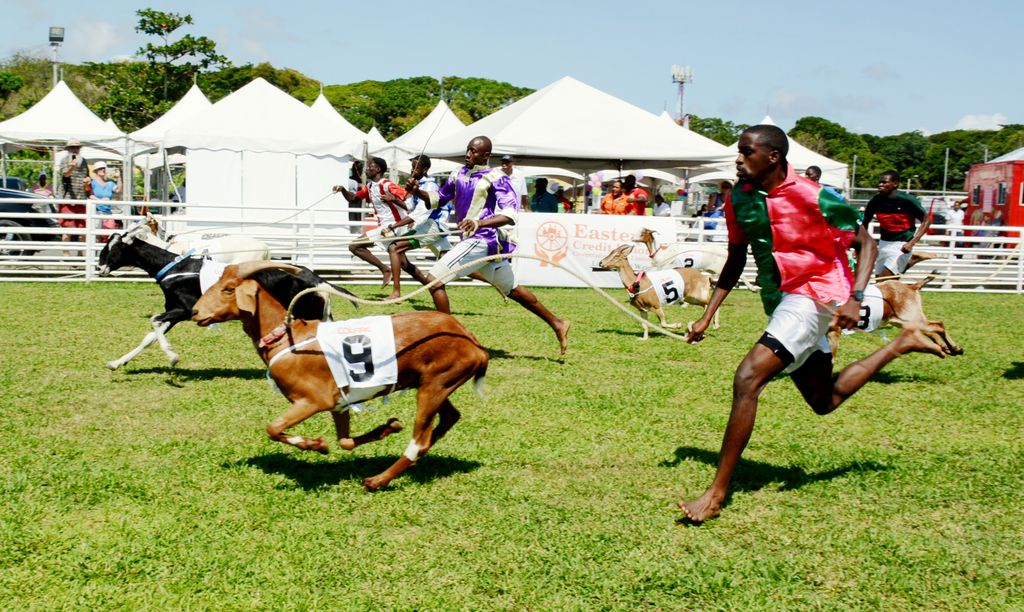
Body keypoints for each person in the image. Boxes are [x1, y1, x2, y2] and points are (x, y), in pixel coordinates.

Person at [679, 125, 946, 524]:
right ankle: (900, 342)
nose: (738, 158)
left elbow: (866, 244)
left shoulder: (814, 195)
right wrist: (706, 314)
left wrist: (856, 297)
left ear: (772, 156)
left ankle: (716, 494)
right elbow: (736, 258)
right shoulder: (740, 199)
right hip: (782, 301)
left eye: (746, 151)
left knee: (748, 378)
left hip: (817, 295)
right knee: (823, 401)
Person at [421, 135, 571, 355]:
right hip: (476, 242)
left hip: (483, 239)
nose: (468, 154)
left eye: (473, 151)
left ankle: (452, 342)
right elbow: (437, 199)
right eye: (468, 150)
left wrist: (478, 222)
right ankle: (558, 323)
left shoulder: (496, 177)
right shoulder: (458, 173)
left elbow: (510, 214)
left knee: (434, 281)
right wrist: (417, 191)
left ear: (486, 155)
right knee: (514, 291)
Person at [381, 154, 450, 300]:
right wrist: (393, 200)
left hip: (433, 226)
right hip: (427, 225)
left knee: (394, 248)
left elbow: (418, 215)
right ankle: (499, 286)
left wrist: (392, 227)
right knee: (452, 260)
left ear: (425, 169)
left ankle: (396, 293)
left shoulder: (430, 186)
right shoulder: (417, 184)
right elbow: (410, 206)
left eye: (416, 168)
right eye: (412, 168)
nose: (412, 171)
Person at [334, 157, 409, 288]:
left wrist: (394, 199)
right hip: (386, 227)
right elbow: (354, 198)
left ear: (378, 169)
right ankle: (429, 283)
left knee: (354, 246)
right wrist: (343, 190)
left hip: (394, 226)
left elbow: (407, 201)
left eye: (369, 166)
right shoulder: (369, 186)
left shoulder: (387, 185)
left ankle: (385, 270)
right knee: (404, 264)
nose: (366, 169)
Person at [861, 170, 930, 278]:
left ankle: (909, 260)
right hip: (883, 243)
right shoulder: (876, 200)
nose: (880, 185)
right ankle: (911, 261)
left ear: (895, 184)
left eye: (884, 182)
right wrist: (862, 244)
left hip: (902, 245)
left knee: (885, 280)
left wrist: (911, 243)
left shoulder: (907, 200)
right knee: (881, 282)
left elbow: (926, 220)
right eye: (880, 182)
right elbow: (865, 222)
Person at [58, 140, 89, 254]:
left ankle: (81, 254)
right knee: (67, 229)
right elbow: (65, 174)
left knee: (83, 229)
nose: (75, 150)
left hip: (81, 199)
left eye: (77, 147)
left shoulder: (84, 162)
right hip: (67, 199)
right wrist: (71, 167)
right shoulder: (64, 161)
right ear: (68, 149)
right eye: (72, 147)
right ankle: (66, 254)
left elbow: (87, 177)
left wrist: (87, 181)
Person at [88, 161, 122, 241]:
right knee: (96, 235)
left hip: (108, 212)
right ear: (96, 171)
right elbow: (90, 195)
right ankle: (95, 253)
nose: (103, 170)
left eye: (104, 168)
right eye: (100, 168)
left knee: (109, 235)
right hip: (96, 212)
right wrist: (100, 200)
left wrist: (118, 177)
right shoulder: (92, 183)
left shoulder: (109, 183)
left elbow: (118, 190)